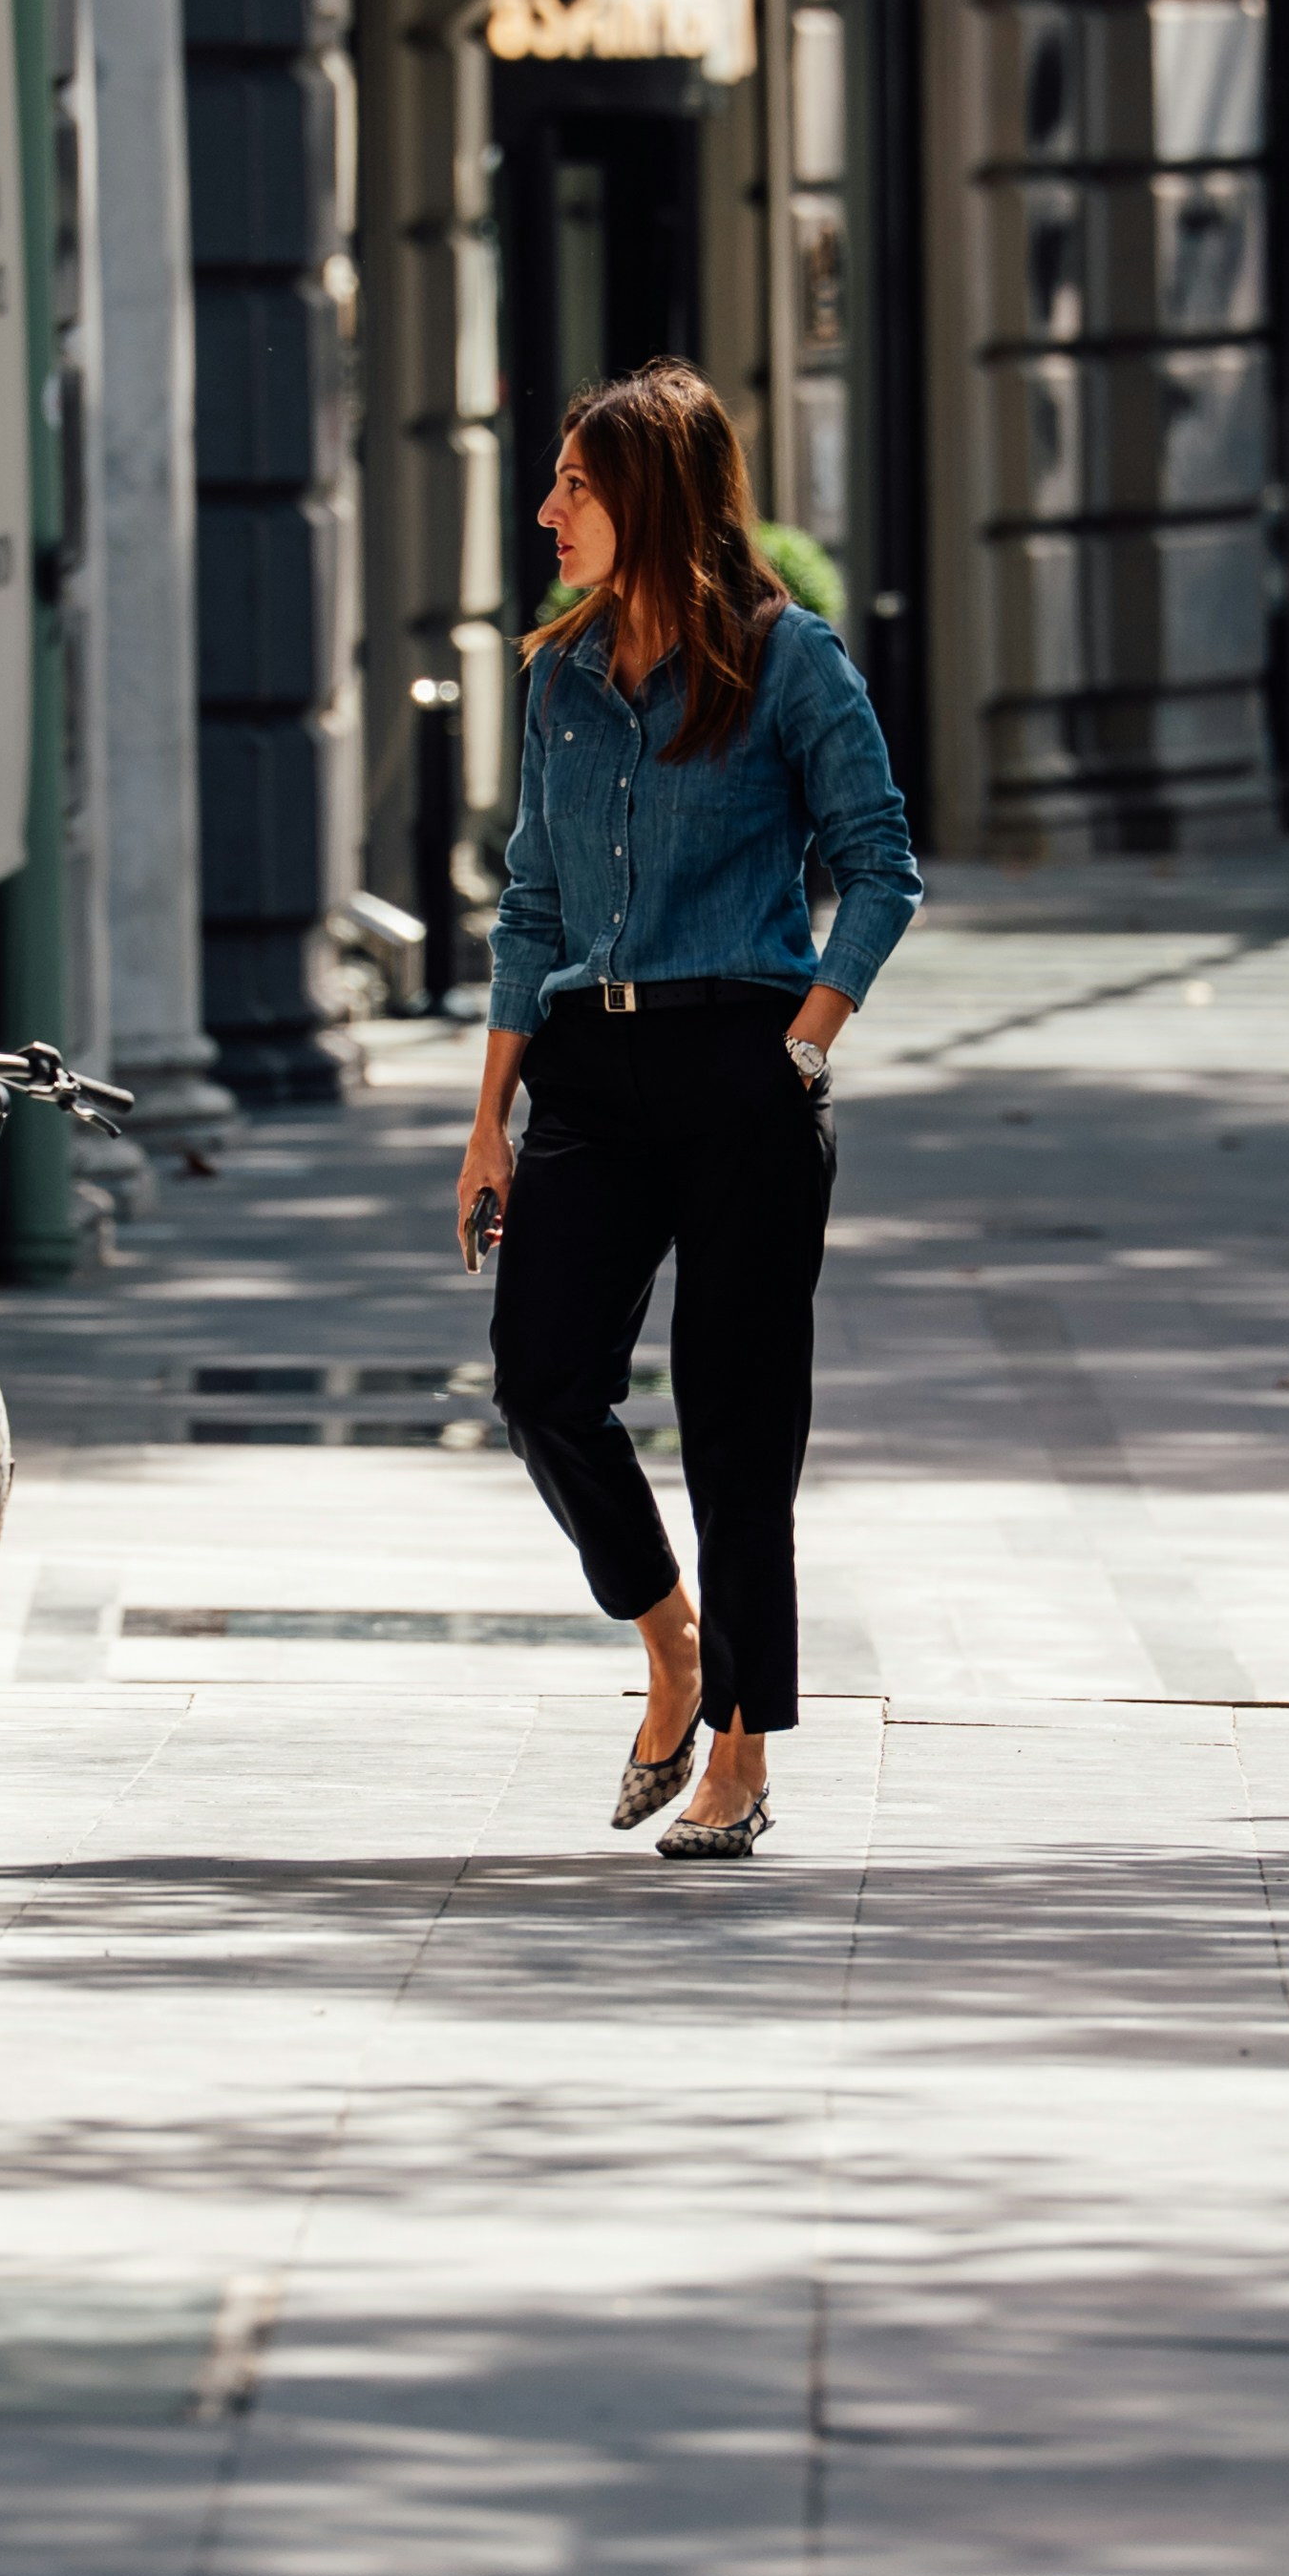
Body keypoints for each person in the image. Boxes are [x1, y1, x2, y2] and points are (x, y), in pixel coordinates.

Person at [456, 360, 921, 1861]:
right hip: (590, 1068)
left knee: (736, 1420)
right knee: (541, 1378)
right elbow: (529, 900)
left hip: (741, 1067)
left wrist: (801, 1043)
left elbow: (881, 861)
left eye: (575, 486)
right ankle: (670, 1637)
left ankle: (744, 1742)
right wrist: (487, 1118)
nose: (548, 511)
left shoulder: (791, 663)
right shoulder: (560, 676)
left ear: (649, 494)